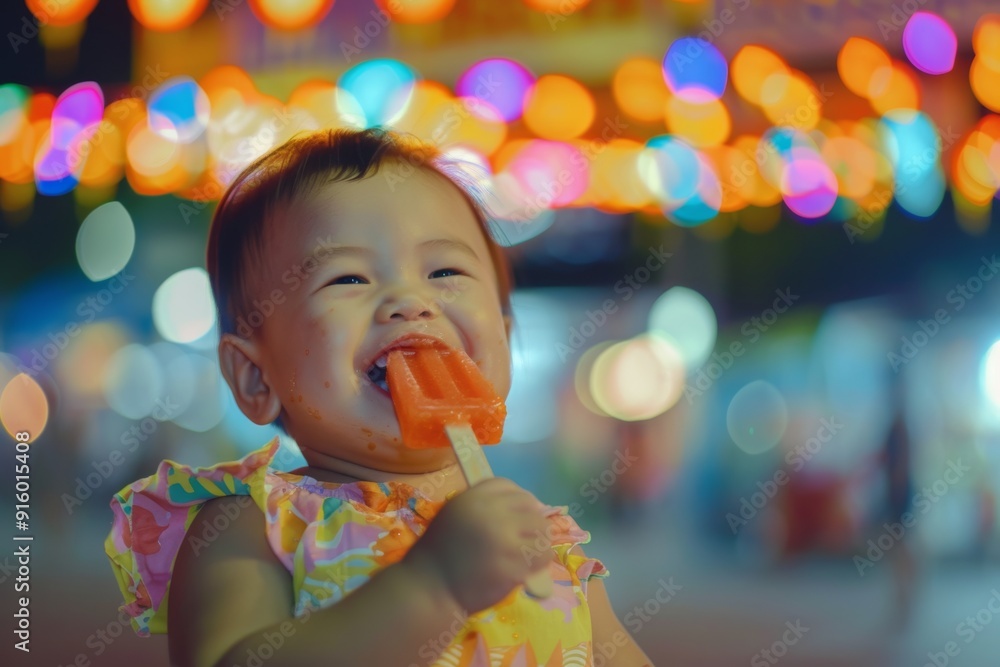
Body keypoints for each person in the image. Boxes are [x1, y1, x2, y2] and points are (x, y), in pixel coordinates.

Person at [104, 128, 653, 667]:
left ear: (504, 337)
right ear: (256, 378)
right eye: (348, 279)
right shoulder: (256, 526)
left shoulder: (542, 541)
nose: (410, 301)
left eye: (445, 270)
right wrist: (433, 586)